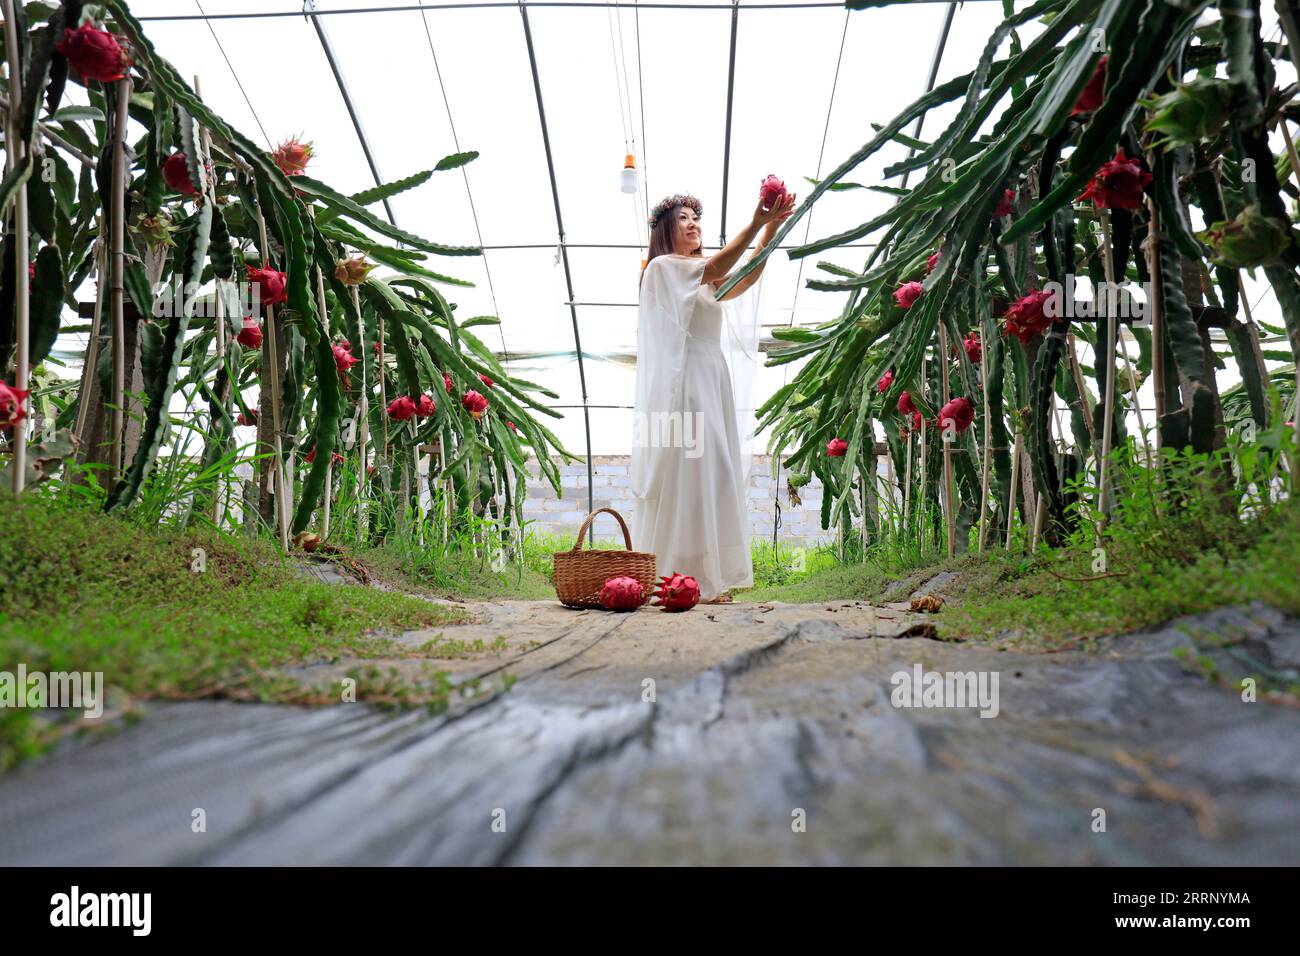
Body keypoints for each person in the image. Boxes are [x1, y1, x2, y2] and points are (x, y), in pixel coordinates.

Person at [631, 187, 795, 603]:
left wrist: (770, 229)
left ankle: (703, 578)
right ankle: (672, 576)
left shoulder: (702, 281)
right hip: (684, 381)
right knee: (693, 471)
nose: (693, 224)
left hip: (710, 375)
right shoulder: (661, 268)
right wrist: (755, 222)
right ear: (666, 229)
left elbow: (744, 274)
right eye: (683, 218)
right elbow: (719, 264)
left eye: (695, 218)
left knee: (713, 473)